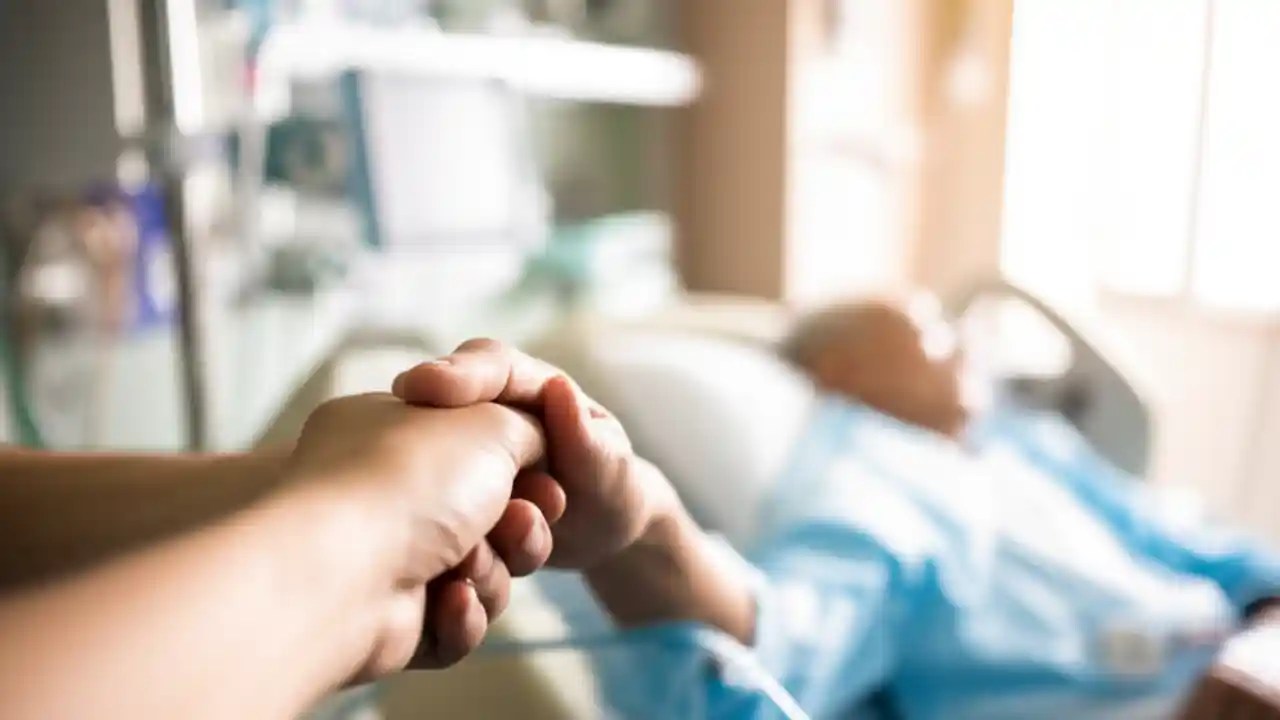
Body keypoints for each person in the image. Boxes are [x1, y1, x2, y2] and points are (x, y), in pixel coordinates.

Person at [382, 326, 1280, 719]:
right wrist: (645, 526)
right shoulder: (867, 487)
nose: (962, 342)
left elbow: (1227, 560)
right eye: (927, 327)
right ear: (849, 370)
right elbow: (762, 659)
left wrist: (1260, 637)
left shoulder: (1019, 444)